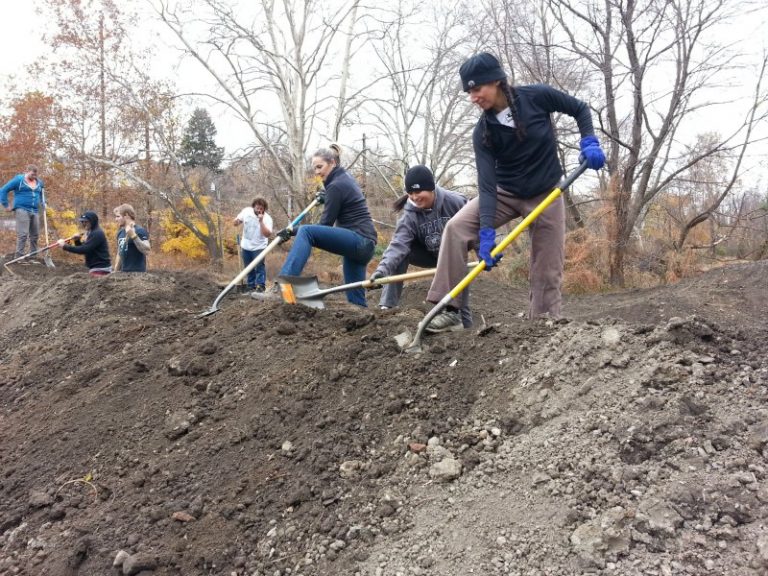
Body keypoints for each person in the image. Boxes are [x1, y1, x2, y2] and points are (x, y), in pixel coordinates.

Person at [424, 52, 606, 333]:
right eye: (468, 92)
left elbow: (580, 109)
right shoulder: (483, 131)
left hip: (546, 193)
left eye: (476, 89)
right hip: (504, 192)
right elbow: (485, 184)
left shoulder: (537, 97)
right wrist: (486, 232)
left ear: (496, 81)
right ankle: (450, 310)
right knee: (456, 229)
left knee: (547, 265)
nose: (473, 97)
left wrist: (589, 141)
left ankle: (543, 326)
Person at [255, 143, 377, 307]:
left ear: (332, 163)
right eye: (315, 169)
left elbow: (324, 225)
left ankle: (282, 288)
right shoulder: (344, 179)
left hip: (359, 240)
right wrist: (327, 196)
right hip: (364, 245)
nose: (317, 172)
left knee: (306, 231)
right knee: (356, 301)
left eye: (320, 166)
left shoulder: (336, 186)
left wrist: (291, 231)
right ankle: (362, 320)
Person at [369, 165, 472, 327]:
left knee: (461, 298)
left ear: (431, 189)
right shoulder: (409, 215)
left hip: (455, 254)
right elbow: (398, 245)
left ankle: (465, 326)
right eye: (410, 193)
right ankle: (387, 306)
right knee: (402, 253)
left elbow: (477, 224)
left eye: (418, 192)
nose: (414, 197)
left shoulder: (455, 202)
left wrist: (486, 251)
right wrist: (382, 270)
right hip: (428, 254)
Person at [1, 165, 44, 259]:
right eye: (32, 174)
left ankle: (33, 257)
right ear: (26, 171)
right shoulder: (18, 180)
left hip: (35, 210)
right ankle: (19, 256)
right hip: (22, 209)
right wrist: (6, 205)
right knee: (23, 234)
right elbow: (3, 190)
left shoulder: (39, 182)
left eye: (36, 175)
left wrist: (43, 202)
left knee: (35, 235)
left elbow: (41, 194)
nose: (34, 177)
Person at [234, 197, 273, 292]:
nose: (259, 209)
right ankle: (251, 285)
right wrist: (237, 221)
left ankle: (260, 286)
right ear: (254, 206)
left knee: (259, 266)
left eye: (261, 208)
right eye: (257, 207)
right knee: (248, 267)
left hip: (259, 246)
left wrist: (261, 221)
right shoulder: (247, 212)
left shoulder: (267, 219)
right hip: (246, 245)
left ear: (264, 209)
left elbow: (267, 234)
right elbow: (236, 222)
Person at [58, 211, 112, 276]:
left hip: (101, 269)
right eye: (82, 222)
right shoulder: (90, 232)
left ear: (92, 221)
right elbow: (85, 249)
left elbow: (84, 249)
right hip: (96, 268)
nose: (84, 224)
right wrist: (77, 241)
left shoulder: (97, 233)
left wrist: (65, 246)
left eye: (86, 222)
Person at [113, 204, 151, 272]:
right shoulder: (120, 233)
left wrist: (133, 236)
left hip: (137, 276)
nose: (116, 219)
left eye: (118, 216)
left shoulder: (139, 231)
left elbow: (147, 251)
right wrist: (115, 270)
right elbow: (119, 253)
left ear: (126, 215)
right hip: (122, 275)